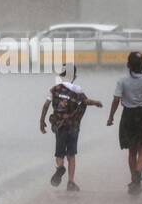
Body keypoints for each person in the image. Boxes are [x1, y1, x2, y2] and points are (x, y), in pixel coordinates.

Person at [38, 63, 102, 192]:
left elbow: (46, 105)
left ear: (61, 75)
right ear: (74, 76)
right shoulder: (77, 89)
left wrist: (42, 120)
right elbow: (85, 101)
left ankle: (60, 167)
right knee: (71, 155)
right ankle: (71, 182)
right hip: (73, 127)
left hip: (59, 126)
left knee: (59, 153)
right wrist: (96, 103)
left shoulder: (54, 89)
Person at [106, 51, 142, 195]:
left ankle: (134, 178)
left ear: (128, 64)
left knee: (131, 151)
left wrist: (111, 117)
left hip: (128, 116)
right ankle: (137, 173)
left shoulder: (122, 80)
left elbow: (116, 100)